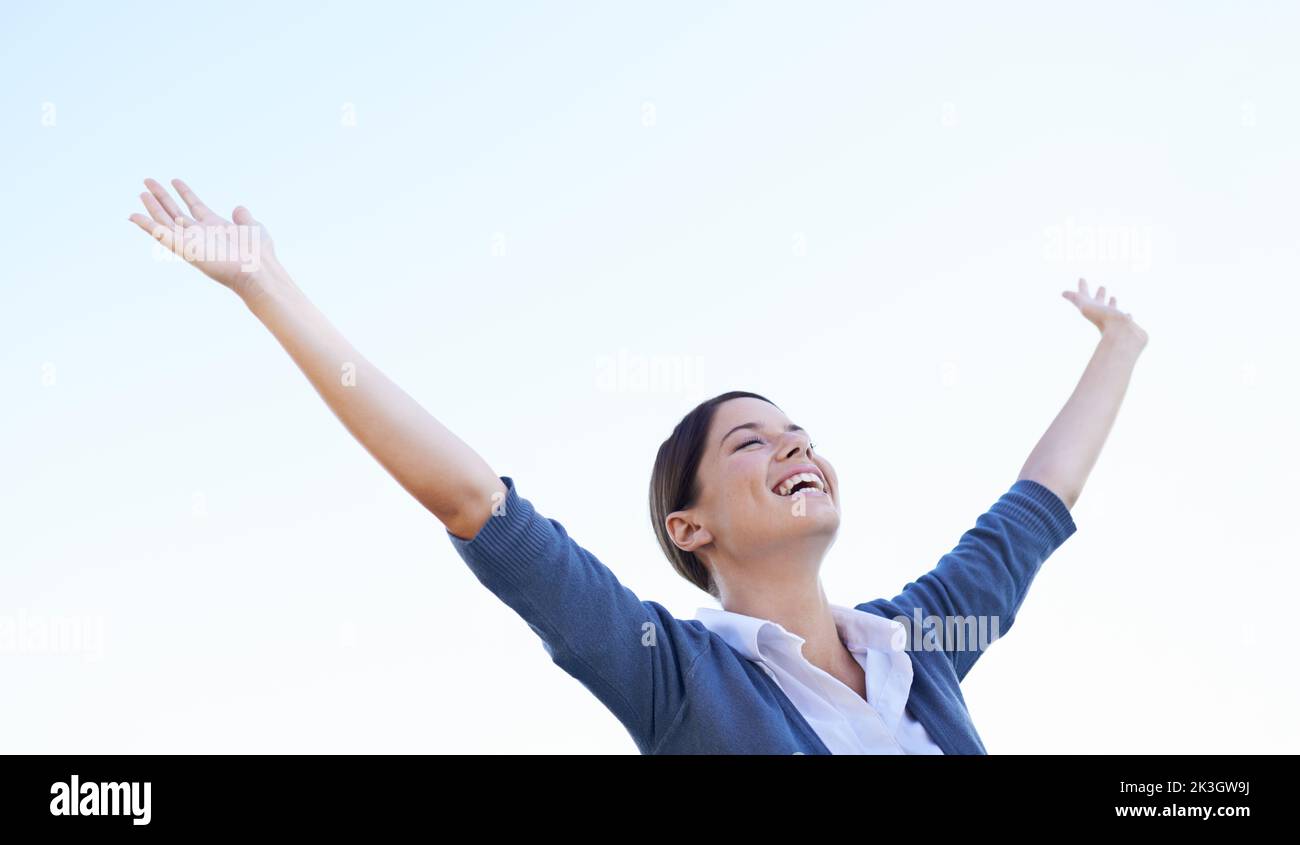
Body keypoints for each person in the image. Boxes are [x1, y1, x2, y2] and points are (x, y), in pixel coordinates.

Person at [129, 179, 1149, 753]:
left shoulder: (916, 643)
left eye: (798, 430)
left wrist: (1120, 346)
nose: (795, 443)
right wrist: (268, 287)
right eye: (751, 440)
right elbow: (474, 499)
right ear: (688, 527)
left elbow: (1035, 503)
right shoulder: (675, 676)